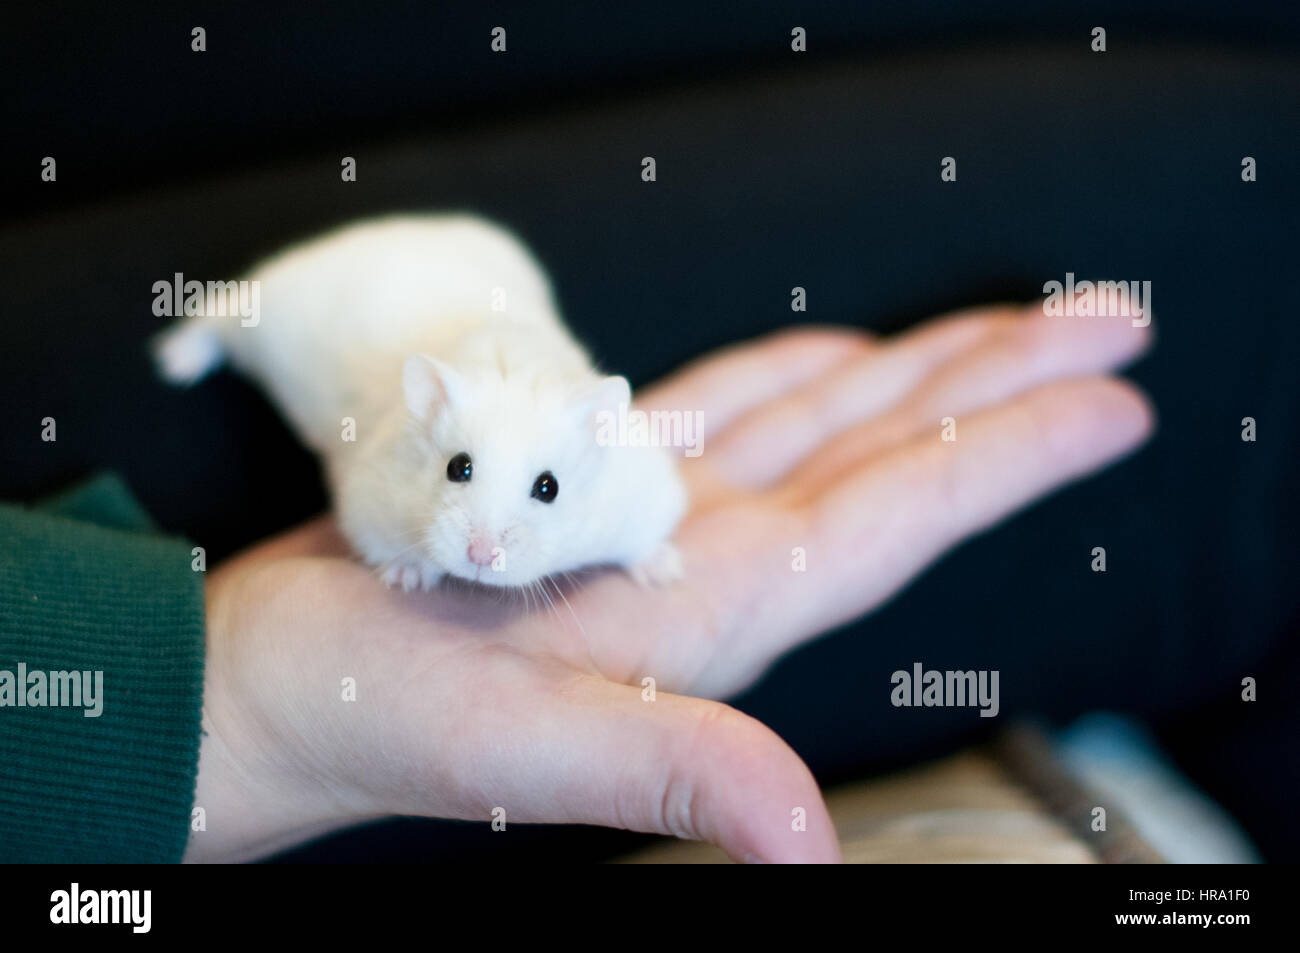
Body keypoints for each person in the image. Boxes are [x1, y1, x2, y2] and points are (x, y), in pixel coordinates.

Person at [1, 301, 1152, 863]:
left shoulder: (625, 477)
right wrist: (226, 703)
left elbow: (647, 504)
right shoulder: (396, 483)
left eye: (537, 499)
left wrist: (643, 547)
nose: (486, 545)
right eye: (459, 475)